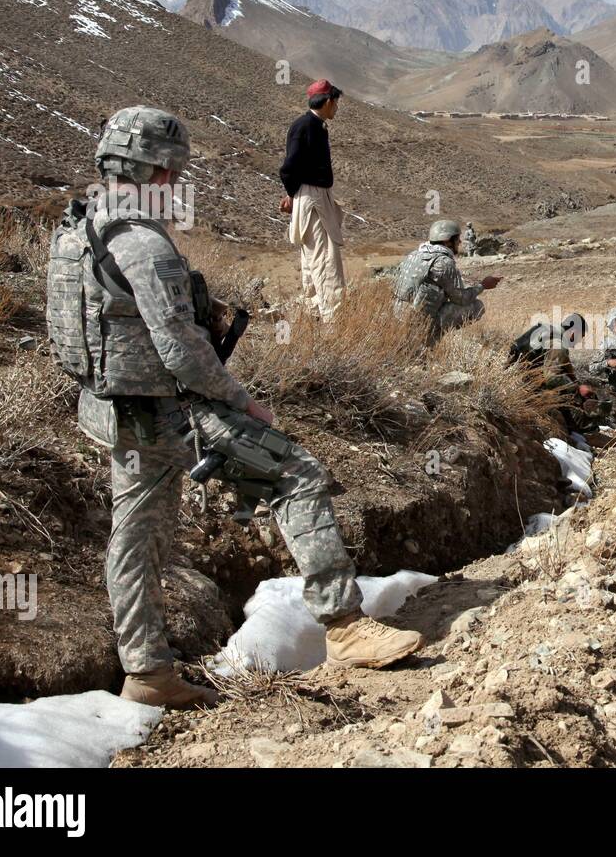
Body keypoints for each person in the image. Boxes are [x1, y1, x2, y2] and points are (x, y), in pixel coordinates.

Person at [47, 107, 423, 710]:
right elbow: (180, 349)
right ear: (157, 169)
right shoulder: (144, 242)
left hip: (114, 413)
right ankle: (347, 628)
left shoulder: (80, 227)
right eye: (172, 172)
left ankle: (147, 672)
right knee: (297, 472)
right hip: (171, 411)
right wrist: (243, 401)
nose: (174, 184)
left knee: (136, 537)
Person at [280, 79, 346, 320]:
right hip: (314, 198)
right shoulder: (306, 126)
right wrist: (293, 192)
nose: (337, 108)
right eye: (336, 102)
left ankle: (314, 317)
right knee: (326, 262)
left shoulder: (314, 125)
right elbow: (288, 168)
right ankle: (333, 324)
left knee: (312, 261)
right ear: (328, 101)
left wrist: (293, 195)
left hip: (310, 196)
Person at [393, 219, 500, 339]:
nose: (460, 241)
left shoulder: (413, 255)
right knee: (477, 306)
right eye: (457, 238)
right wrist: (483, 285)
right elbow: (461, 299)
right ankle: (432, 338)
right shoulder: (444, 262)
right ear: (447, 240)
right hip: (420, 322)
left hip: (399, 316)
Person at [508, 313, 607, 432]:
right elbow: (551, 378)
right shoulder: (558, 344)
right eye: (581, 336)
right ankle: (580, 427)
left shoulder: (549, 332)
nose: (578, 341)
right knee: (570, 398)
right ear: (574, 332)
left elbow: (561, 368)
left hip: (515, 381)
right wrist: (576, 388)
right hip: (522, 388)